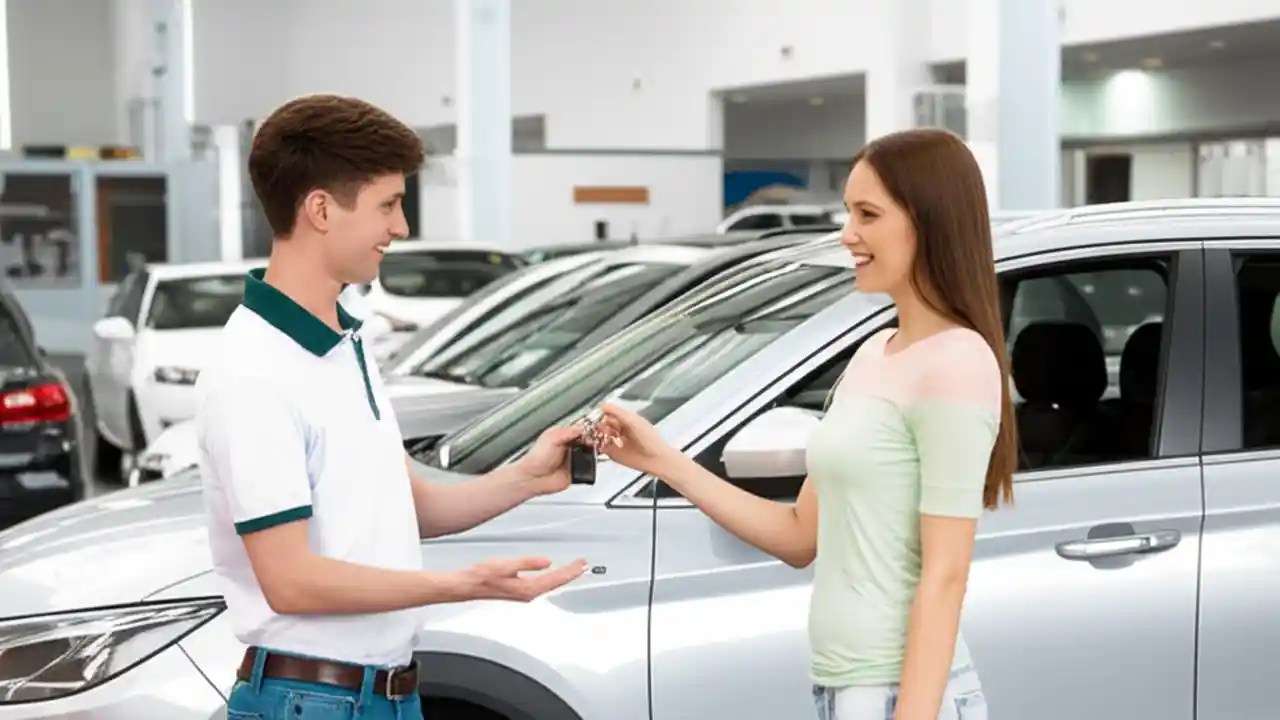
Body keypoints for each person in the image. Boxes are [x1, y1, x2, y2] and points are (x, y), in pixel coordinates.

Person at [593, 128, 1017, 720]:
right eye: (849, 213)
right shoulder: (873, 354)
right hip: (843, 687)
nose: (848, 234)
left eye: (868, 214)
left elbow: (946, 576)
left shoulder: (958, 361)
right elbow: (798, 536)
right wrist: (662, 460)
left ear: (930, 222)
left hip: (904, 694)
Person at [194, 94, 588, 719]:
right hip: (314, 704)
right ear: (320, 209)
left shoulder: (344, 342)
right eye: (388, 204)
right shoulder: (253, 371)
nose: (401, 227)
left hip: (383, 697)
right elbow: (289, 580)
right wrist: (461, 585)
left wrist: (527, 480)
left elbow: (408, 509)